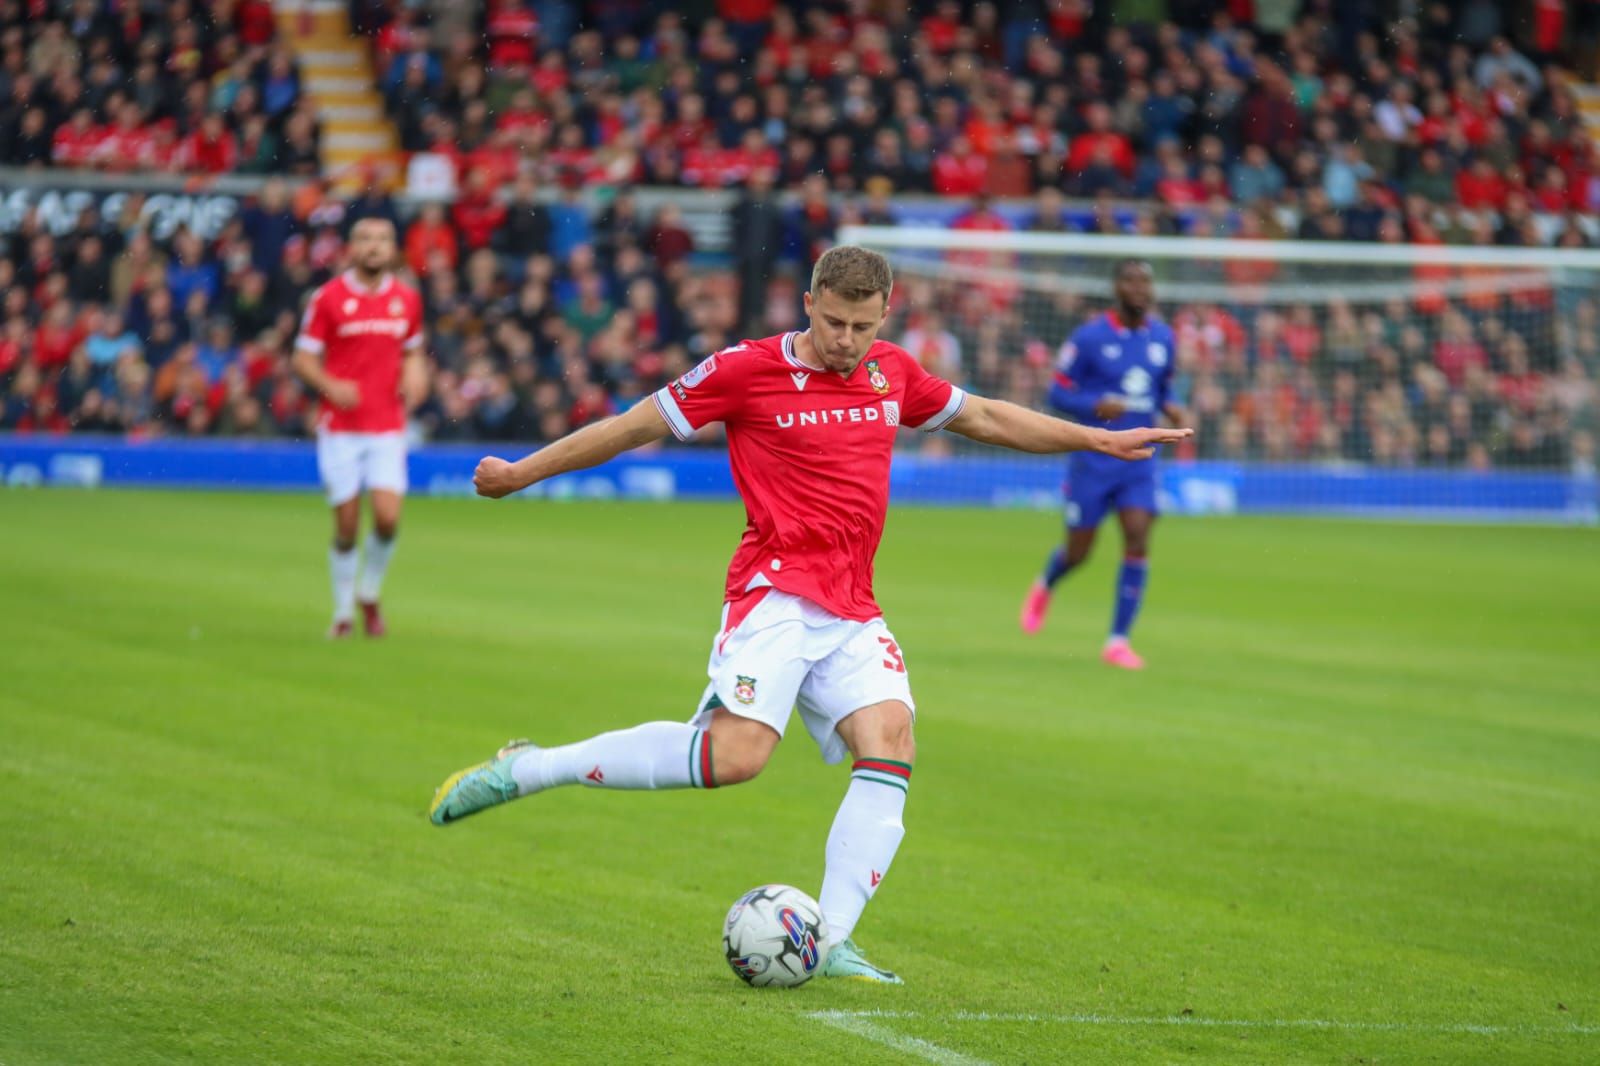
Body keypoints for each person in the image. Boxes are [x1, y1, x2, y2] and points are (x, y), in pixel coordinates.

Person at [428, 246, 1189, 983]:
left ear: (884, 316)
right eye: (833, 323)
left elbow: (986, 416)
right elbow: (633, 426)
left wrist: (1096, 439)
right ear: (808, 306)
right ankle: (532, 768)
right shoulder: (744, 370)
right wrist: (521, 472)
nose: (847, 340)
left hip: (853, 604)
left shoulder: (893, 372)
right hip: (775, 594)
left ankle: (832, 939)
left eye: (863, 326)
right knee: (736, 758)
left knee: (891, 740)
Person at [1019, 259, 1187, 669]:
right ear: (1116, 288)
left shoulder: (1163, 337)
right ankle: (1046, 583)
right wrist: (1094, 404)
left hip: (1139, 460)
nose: (1139, 289)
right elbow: (1057, 393)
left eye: (1145, 282)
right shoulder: (1090, 337)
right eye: (1131, 281)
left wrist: (1172, 407)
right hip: (1094, 458)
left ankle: (1118, 640)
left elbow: (1162, 387)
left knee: (1138, 534)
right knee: (1079, 552)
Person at [291, 218, 429, 638]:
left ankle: (368, 593)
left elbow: (413, 350)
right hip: (341, 428)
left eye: (382, 239)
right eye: (365, 239)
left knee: (387, 519)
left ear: (393, 248)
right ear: (351, 247)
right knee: (347, 526)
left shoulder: (407, 299)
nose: (374, 246)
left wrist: (416, 373)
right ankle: (342, 613)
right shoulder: (328, 297)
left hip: (387, 425)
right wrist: (330, 385)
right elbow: (303, 358)